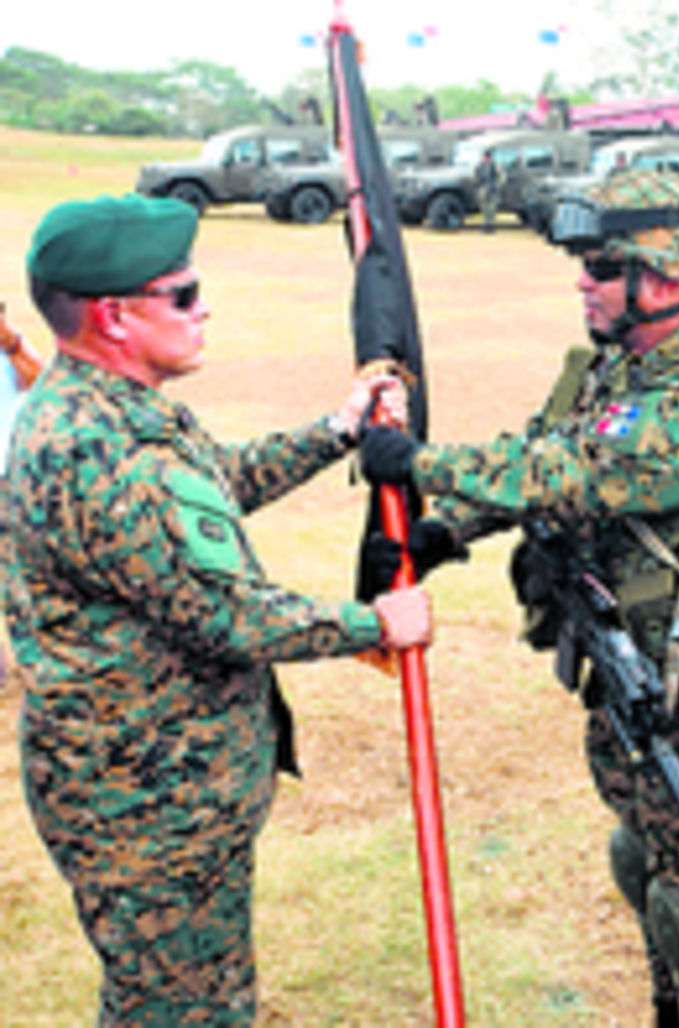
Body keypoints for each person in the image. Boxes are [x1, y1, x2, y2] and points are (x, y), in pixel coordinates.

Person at [357, 168, 679, 1025]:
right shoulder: (611, 371)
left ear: (654, 280)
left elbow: (579, 472)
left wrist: (421, 465)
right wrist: (447, 529)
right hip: (633, 682)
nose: (582, 282)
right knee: (646, 862)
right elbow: (540, 453)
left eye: (598, 266)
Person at [7, 193, 433, 1025]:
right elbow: (233, 614)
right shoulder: (108, 455)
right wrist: (377, 624)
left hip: (158, 793)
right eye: (184, 294)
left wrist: (338, 430)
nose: (205, 311)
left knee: (189, 1001)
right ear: (114, 316)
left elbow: (216, 489)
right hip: (146, 809)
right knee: (178, 1011)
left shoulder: (101, 406)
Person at [1, 302, 45, 688]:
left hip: (9, 480)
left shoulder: (13, 350)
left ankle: (34, 663)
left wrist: (11, 343)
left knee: (19, 577)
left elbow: (40, 382)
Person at [474, 148, 505, 232]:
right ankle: (485, 225)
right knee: (484, 208)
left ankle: (491, 226)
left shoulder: (494, 165)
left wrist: (497, 185)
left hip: (492, 189)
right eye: (485, 156)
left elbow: (502, 176)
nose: (486, 158)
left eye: (487, 156)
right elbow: (475, 176)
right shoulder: (479, 165)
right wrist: (479, 184)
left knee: (492, 208)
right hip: (483, 189)